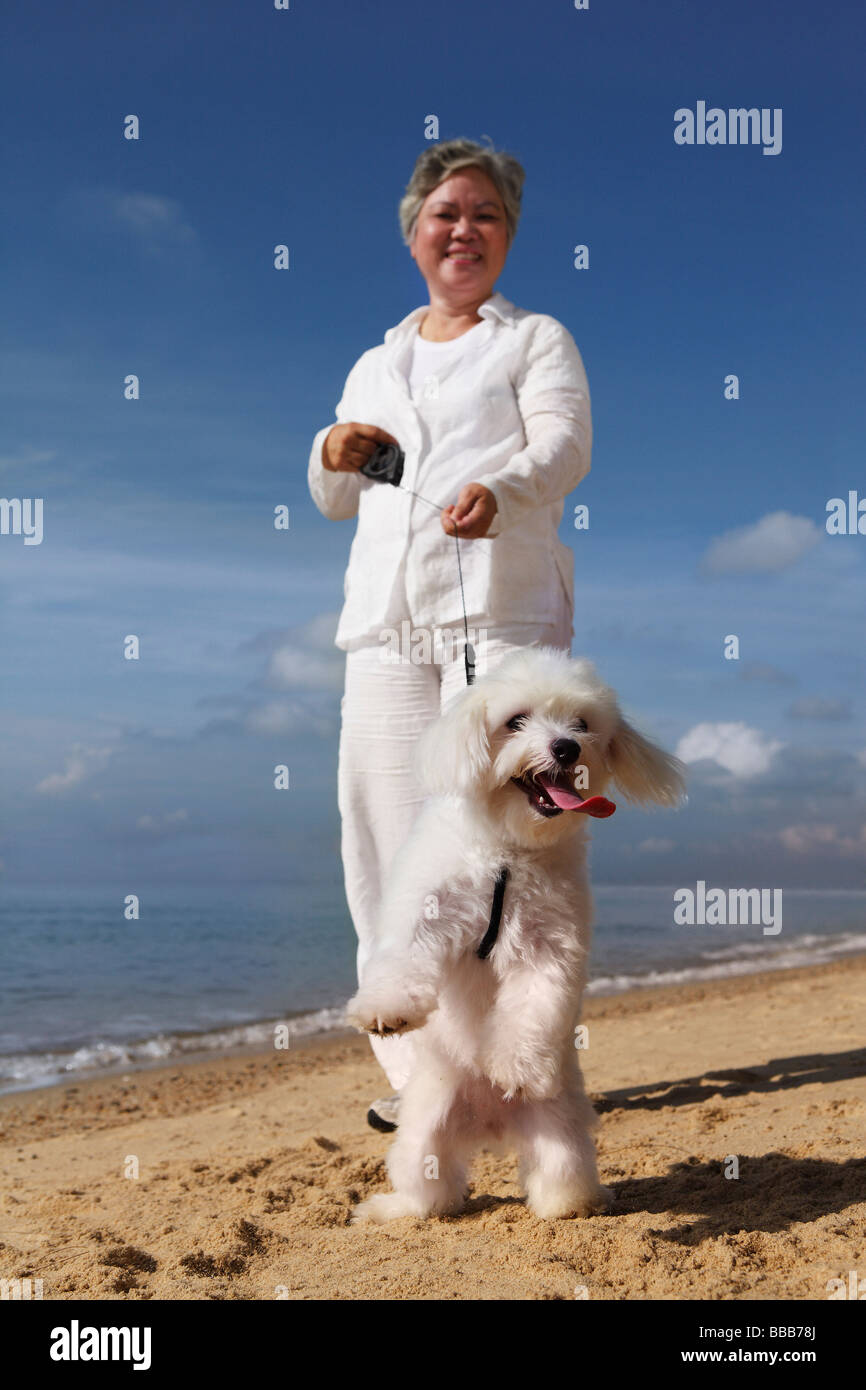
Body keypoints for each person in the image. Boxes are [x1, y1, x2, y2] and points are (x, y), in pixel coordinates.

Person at [307, 137, 592, 1130]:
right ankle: (420, 1080)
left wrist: (501, 489)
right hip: (385, 629)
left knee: (520, 845)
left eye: (484, 214)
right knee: (386, 846)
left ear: (506, 236)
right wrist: (331, 447)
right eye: (445, 213)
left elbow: (562, 445)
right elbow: (334, 495)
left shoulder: (534, 340)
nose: (462, 228)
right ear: (414, 232)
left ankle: (525, 1057)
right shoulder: (372, 360)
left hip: (501, 619)